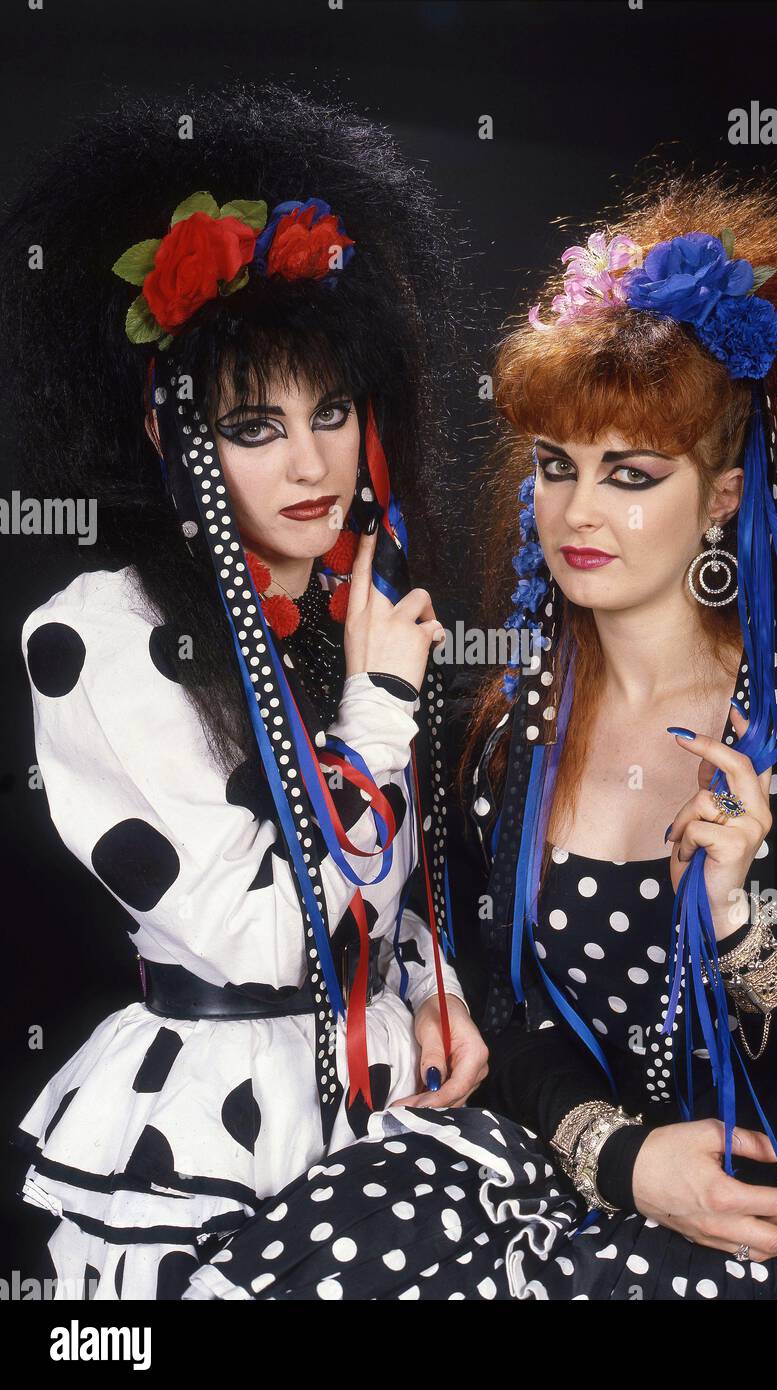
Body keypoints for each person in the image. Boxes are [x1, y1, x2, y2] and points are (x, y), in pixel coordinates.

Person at [185, 171, 777, 1302]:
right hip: (597, 1186)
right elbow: (507, 1013)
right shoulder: (515, 734)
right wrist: (622, 1154)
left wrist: (746, 930)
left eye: (632, 474)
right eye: (556, 466)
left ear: (722, 495)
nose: (578, 513)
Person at [2, 81, 487, 1301]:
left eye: (331, 412)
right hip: (220, 1116)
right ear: (177, 440)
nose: (315, 461)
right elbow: (261, 932)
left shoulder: (350, 604)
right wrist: (379, 708)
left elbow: (387, 885)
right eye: (255, 424)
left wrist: (439, 996)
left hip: (390, 1101)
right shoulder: (97, 633)